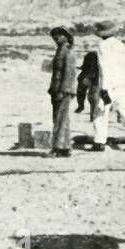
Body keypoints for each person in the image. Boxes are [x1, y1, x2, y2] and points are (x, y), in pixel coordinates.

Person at [91, 20, 125, 151]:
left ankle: (99, 141)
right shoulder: (121, 45)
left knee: (101, 112)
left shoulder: (103, 46)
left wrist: (103, 88)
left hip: (109, 84)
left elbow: (104, 68)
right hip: (122, 83)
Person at [46, 26, 77, 157]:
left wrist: (64, 90)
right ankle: (64, 147)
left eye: (59, 35)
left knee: (61, 119)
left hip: (63, 90)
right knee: (59, 118)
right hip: (56, 89)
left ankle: (59, 148)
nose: (56, 38)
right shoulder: (59, 51)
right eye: (54, 36)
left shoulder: (68, 52)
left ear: (65, 36)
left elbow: (69, 73)